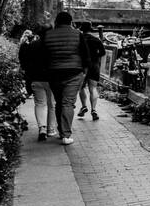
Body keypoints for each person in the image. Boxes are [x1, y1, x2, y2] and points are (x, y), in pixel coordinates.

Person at [42, 11, 90, 145]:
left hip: (54, 73)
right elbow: (85, 55)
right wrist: (84, 72)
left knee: (59, 102)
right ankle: (66, 135)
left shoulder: (47, 35)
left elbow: (43, 56)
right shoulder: (78, 35)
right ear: (70, 22)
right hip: (74, 73)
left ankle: (61, 131)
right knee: (68, 103)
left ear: (56, 21)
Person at [18, 25, 57, 141]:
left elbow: (25, 61)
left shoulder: (32, 45)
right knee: (52, 104)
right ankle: (51, 130)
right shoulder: (53, 46)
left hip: (36, 78)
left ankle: (42, 129)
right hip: (51, 79)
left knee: (40, 104)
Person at [76, 21, 105, 120]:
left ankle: (84, 106)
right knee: (93, 88)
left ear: (81, 29)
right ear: (90, 29)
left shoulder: (79, 39)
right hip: (94, 65)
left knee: (81, 87)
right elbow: (103, 52)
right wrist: (95, 57)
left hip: (82, 66)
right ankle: (94, 110)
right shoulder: (96, 39)